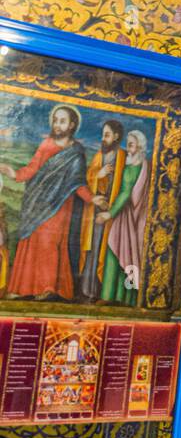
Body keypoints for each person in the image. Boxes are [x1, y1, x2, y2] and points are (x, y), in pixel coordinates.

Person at [0, 106, 106, 300]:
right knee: (32, 241)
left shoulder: (76, 152)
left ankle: (49, 288)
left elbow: (78, 182)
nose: (57, 124)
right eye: (55, 120)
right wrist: (14, 173)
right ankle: (23, 289)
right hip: (37, 202)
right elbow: (32, 168)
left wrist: (92, 198)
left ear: (72, 125)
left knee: (50, 243)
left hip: (59, 206)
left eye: (62, 121)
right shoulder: (47, 144)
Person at [96, 130, 150, 306]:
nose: (128, 147)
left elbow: (126, 193)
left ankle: (110, 296)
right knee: (126, 255)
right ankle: (124, 297)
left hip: (124, 216)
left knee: (115, 253)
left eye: (132, 144)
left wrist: (109, 213)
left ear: (140, 147)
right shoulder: (135, 164)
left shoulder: (134, 167)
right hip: (129, 216)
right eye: (128, 143)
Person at [79, 120, 126, 302]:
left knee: (106, 250)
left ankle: (101, 292)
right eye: (103, 134)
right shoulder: (99, 155)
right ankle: (87, 291)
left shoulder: (121, 156)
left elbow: (123, 186)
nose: (103, 138)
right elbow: (88, 176)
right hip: (94, 209)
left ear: (116, 136)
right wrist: (98, 175)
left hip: (111, 210)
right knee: (92, 248)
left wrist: (111, 207)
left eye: (107, 134)